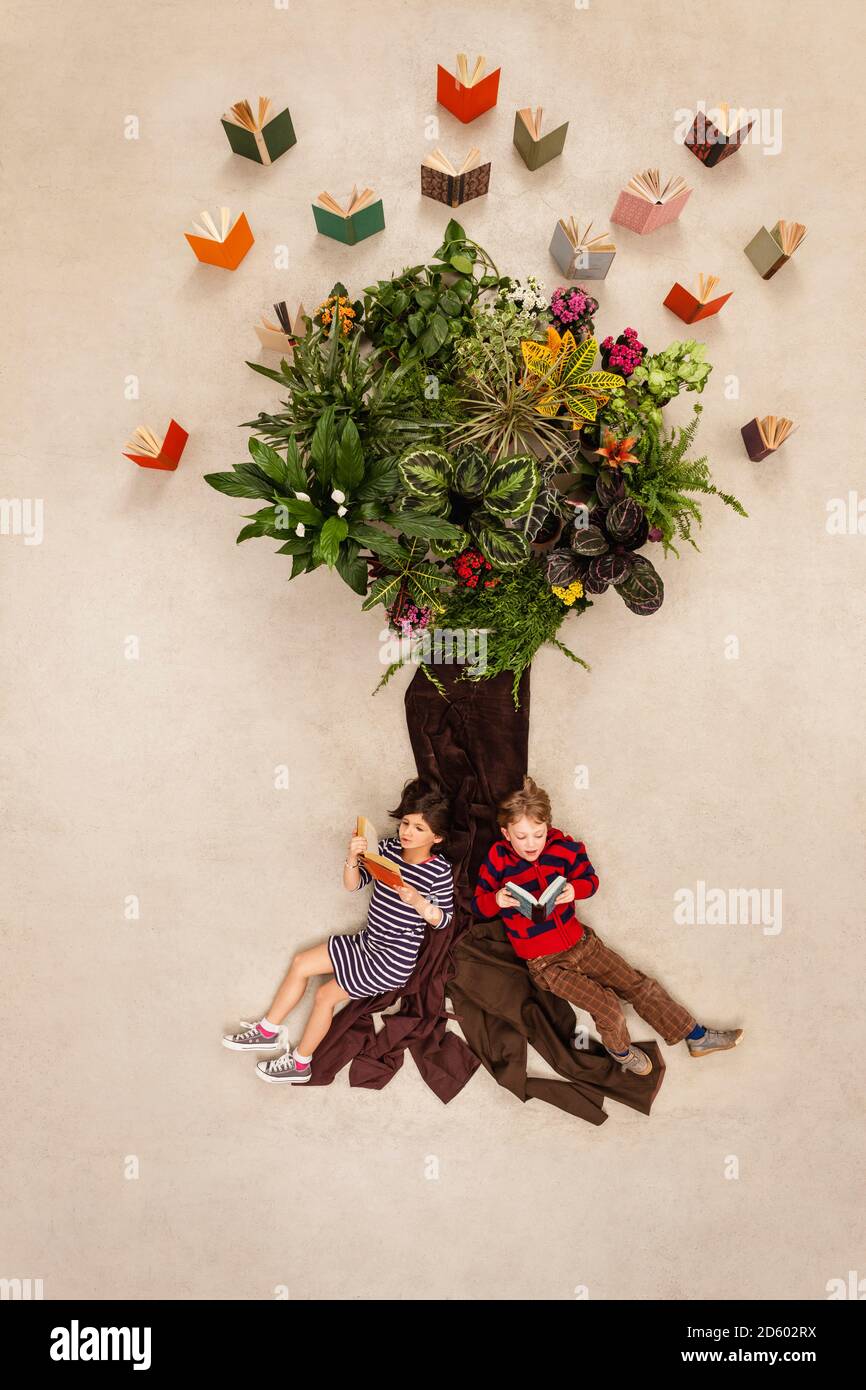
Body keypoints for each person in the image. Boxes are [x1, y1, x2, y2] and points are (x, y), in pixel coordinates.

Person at [473, 776, 743, 1076]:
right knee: (607, 1006)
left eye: (537, 834)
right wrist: (497, 899)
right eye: (521, 837)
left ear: (547, 825)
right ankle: (621, 1051)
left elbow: (590, 880)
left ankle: (697, 1037)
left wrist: (576, 890)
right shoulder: (497, 860)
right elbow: (479, 903)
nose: (531, 844)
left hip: (583, 943)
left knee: (639, 985)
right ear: (505, 833)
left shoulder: (564, 848)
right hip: (547, 964)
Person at [222, 779, 454, 1084]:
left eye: (418, 829)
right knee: (301, 963)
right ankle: (266, 1031)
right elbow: (353, 884)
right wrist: (352, 858)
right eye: (406, 823)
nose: (407, 832)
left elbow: (444, 920)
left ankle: (301, 1062)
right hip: (368, 942)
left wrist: (420, 903)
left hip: (392, 961)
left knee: (324, 995)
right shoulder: (388, 848)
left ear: (436, 837)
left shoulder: (439, 871)